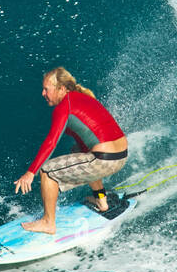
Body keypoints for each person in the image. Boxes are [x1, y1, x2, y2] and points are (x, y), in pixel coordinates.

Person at [15, 67, 128, 235]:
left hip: (104, 160)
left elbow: (51, 142)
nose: (43, 93)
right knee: (79, 151)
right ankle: (102, 201)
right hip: (121, 156)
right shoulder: (84, 98)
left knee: (47, 171)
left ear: (61, 89)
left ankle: (48, 223)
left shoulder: (64, 106)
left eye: (46, 89)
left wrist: (31, 172)